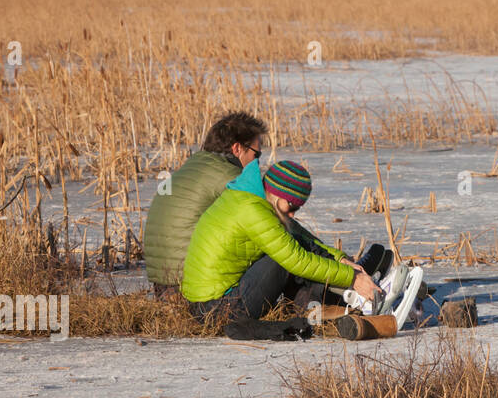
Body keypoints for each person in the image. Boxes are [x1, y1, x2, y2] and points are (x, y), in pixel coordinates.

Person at [181, 159, 381, 330]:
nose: (293, 213)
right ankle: (335, 300)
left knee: (292, 247)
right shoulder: (253, 211)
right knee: (284, 260)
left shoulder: (250, 198)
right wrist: (352, 278)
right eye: (292, 205)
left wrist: (340, 259)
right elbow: (297, 260)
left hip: (207, 302)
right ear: (278, 194)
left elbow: (301, 236)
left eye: (298, 208)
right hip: (216, 310)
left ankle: (332, 299)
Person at [143, 112, 268, 300]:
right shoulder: (231, 176)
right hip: (195, 283)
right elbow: (269, 224)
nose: (257, 163)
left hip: (162, 284)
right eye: (256, 155)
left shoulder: (192, 167)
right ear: (237, 149)